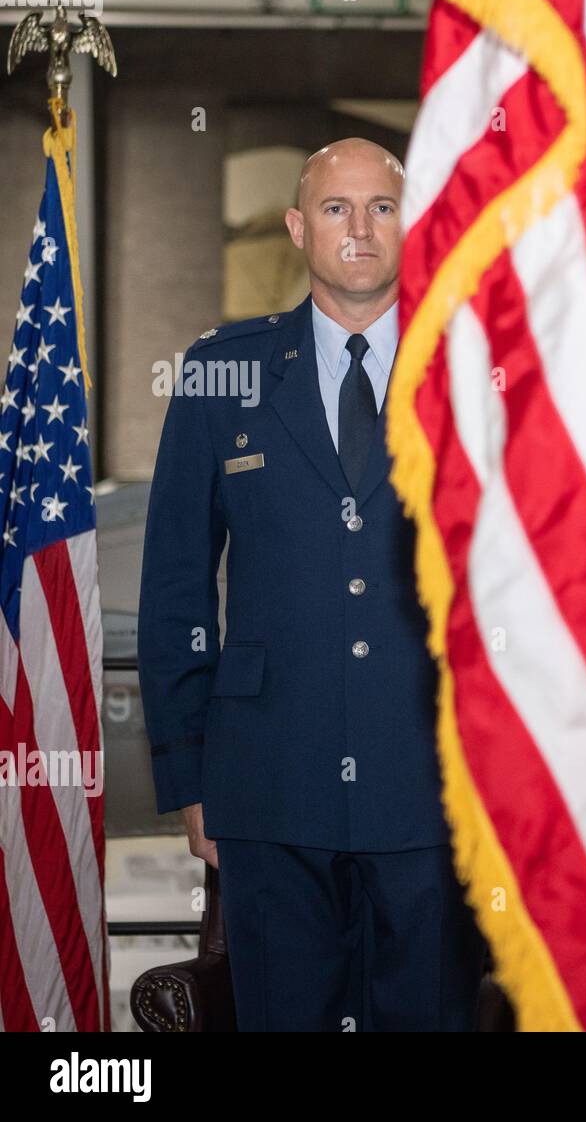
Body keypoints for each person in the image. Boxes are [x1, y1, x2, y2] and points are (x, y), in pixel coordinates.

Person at [138, 138, 484, 1031]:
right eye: (337, 208)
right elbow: (177, 584)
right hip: (268, 784)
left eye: (382, 207)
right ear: (298, 228)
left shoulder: (477, 376)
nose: (361, 229)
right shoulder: (224, 374)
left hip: (433, 784)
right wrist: (188, 776)